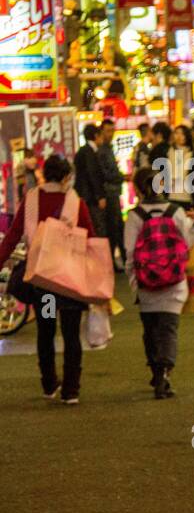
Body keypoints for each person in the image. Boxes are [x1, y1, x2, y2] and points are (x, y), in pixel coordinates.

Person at [0, 155, 95, 404]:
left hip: (45, 282)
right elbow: (91, 238)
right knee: (72, 333)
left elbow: (12, 237)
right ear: (65, 177)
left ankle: (50, 383)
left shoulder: (31, 200)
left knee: (47, 329)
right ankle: (71, 390)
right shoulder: (75, 203)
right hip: (70, 282)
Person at [124, 166, 194, 399]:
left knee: (151, 330)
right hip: (174, 282)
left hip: (147, 284)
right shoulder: (176, 212)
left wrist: (134, 282)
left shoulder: (134, 216)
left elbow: (129, 254)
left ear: (136, 188)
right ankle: (165, 373)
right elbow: (187, 244)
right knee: (168, 329)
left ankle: (156, 371)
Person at [97, 120, 127, 271]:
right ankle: (115, 261)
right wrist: (122, 177)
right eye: (108, 130)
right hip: (110, 193)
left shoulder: (108, 149)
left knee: (116, 227)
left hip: (113, 192)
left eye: (112, 130)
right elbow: (106, 173)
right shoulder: (102, 151)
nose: (111, 133)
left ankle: (120, 259)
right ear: (102, 132)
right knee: (114, 227)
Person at [73, 124, 108, 242]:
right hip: (91, 198)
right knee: (97, 228)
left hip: (84, 196)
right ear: (96, 136)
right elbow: (93, 175)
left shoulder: (82, 151)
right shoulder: (89, 152)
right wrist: (100, 196)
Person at [162, 124, 194, 209]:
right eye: (176, 133)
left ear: (187, 136)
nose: (179, 136)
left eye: (182, 134)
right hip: (170, 195)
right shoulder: (167, 152)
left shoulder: (192, 154)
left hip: (186, 196)